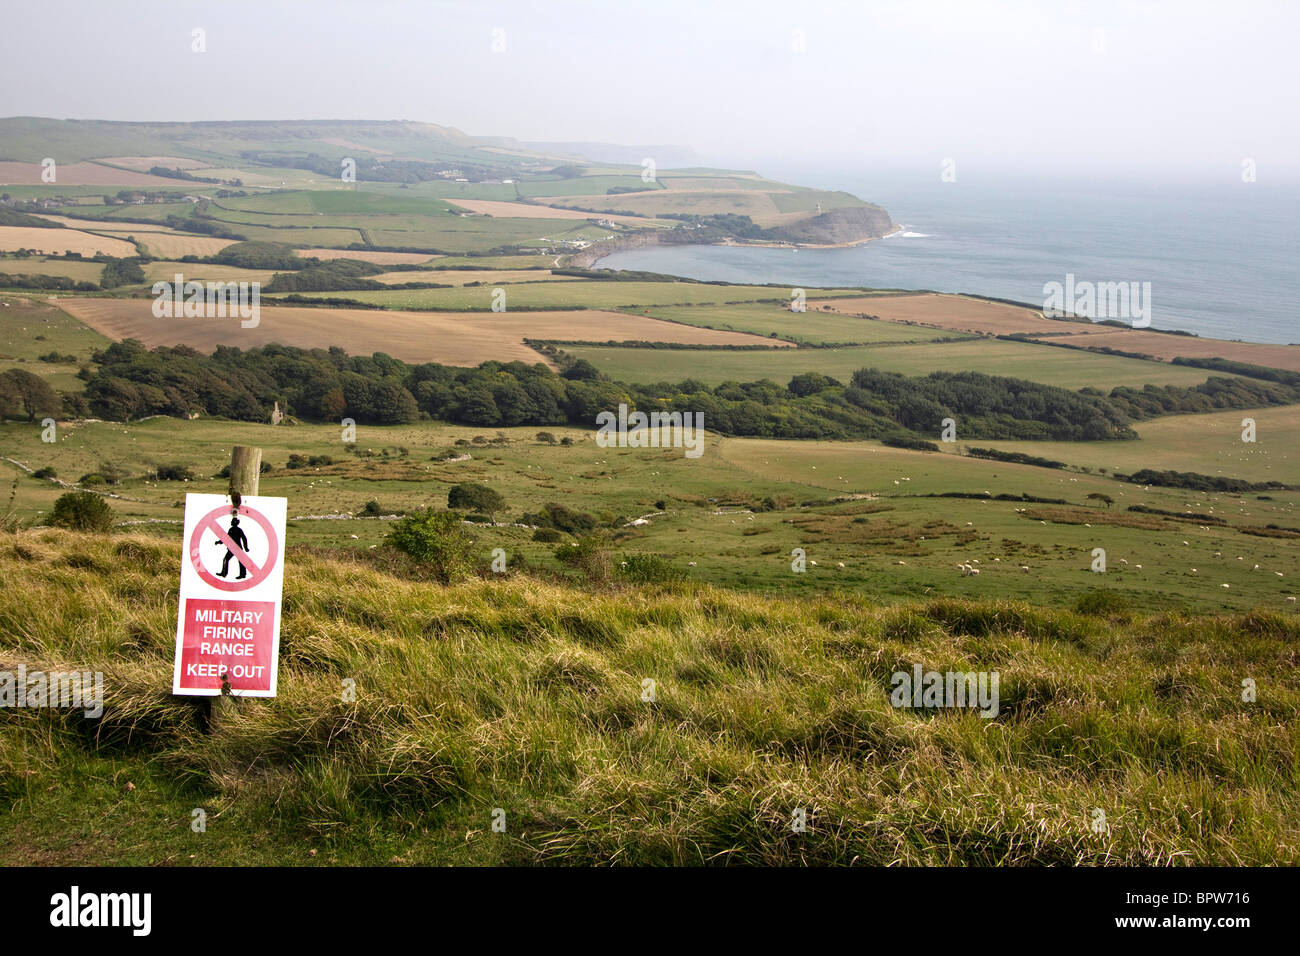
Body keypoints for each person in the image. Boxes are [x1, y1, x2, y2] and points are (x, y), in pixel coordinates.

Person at [215, 514, 251, 579]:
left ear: (234, 523)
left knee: (239, 561)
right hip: (233, 548)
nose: (231, 523)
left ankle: (241, 575)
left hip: (236, 548)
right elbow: (226, 538)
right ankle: (225, 573)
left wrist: (246, 547)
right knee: (227, 559)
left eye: (232, 522)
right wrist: (219, 542)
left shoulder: (237, 530)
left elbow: (244, 538)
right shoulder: (232, 529)